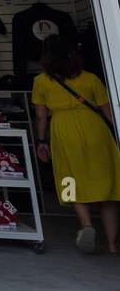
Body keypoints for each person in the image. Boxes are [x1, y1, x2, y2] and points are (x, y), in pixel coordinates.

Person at [32, 34, 120, 254]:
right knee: (106, 186)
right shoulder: (91, 79)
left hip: (64, 131)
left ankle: (86, 225)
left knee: (69, 177)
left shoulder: (41, 81)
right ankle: (111, 244)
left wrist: (41, 141)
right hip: (95, 130)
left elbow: (41, 116)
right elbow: (108, 111)